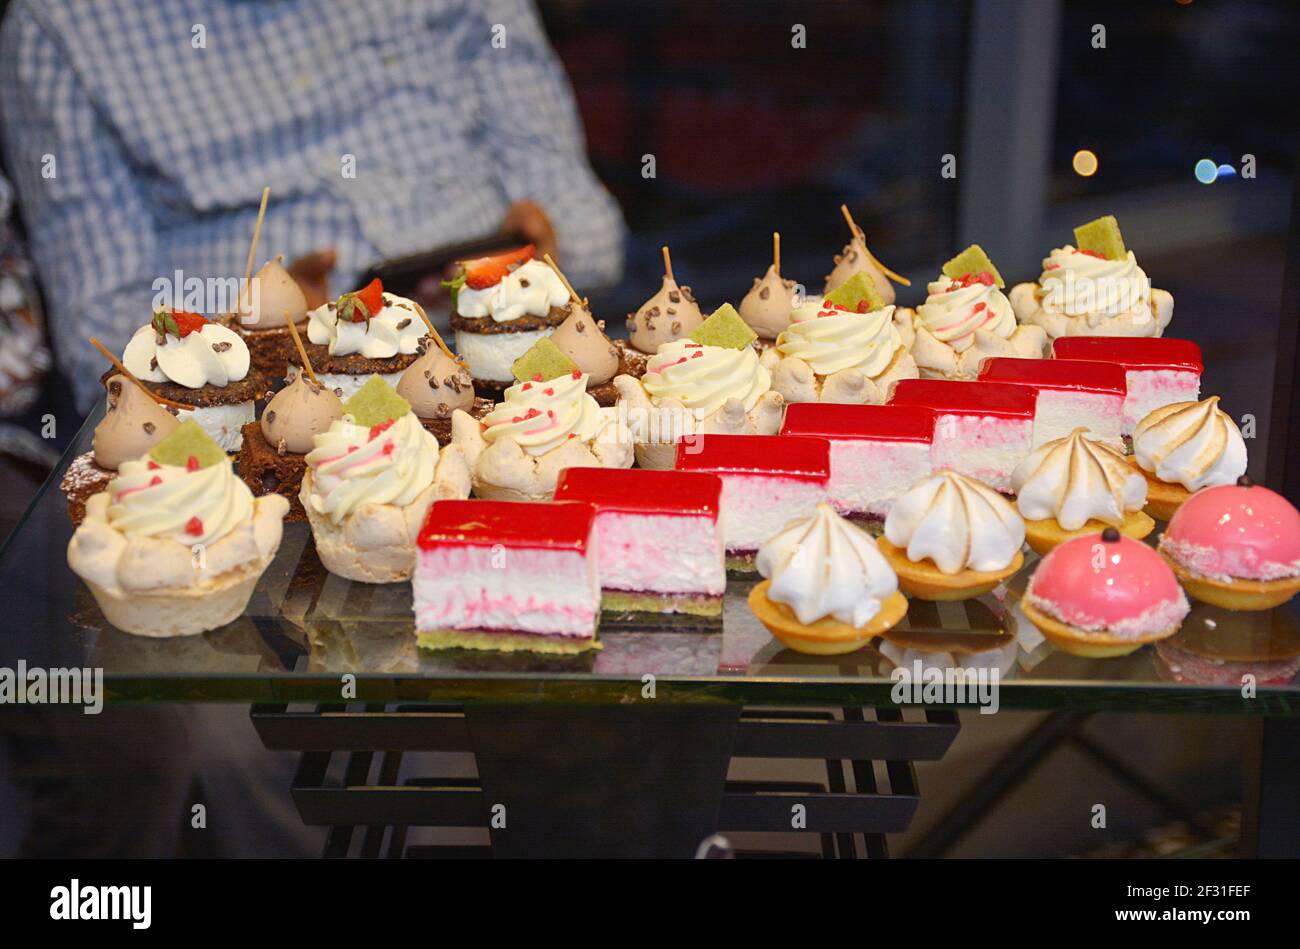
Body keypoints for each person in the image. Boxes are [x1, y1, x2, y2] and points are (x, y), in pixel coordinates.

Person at [0, 0, 625, 409]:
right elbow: (100, 348)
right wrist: (250, 332)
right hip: (267, 397)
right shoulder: (64, 25)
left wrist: (542, 257)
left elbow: (593, 230)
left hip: (507, 357)